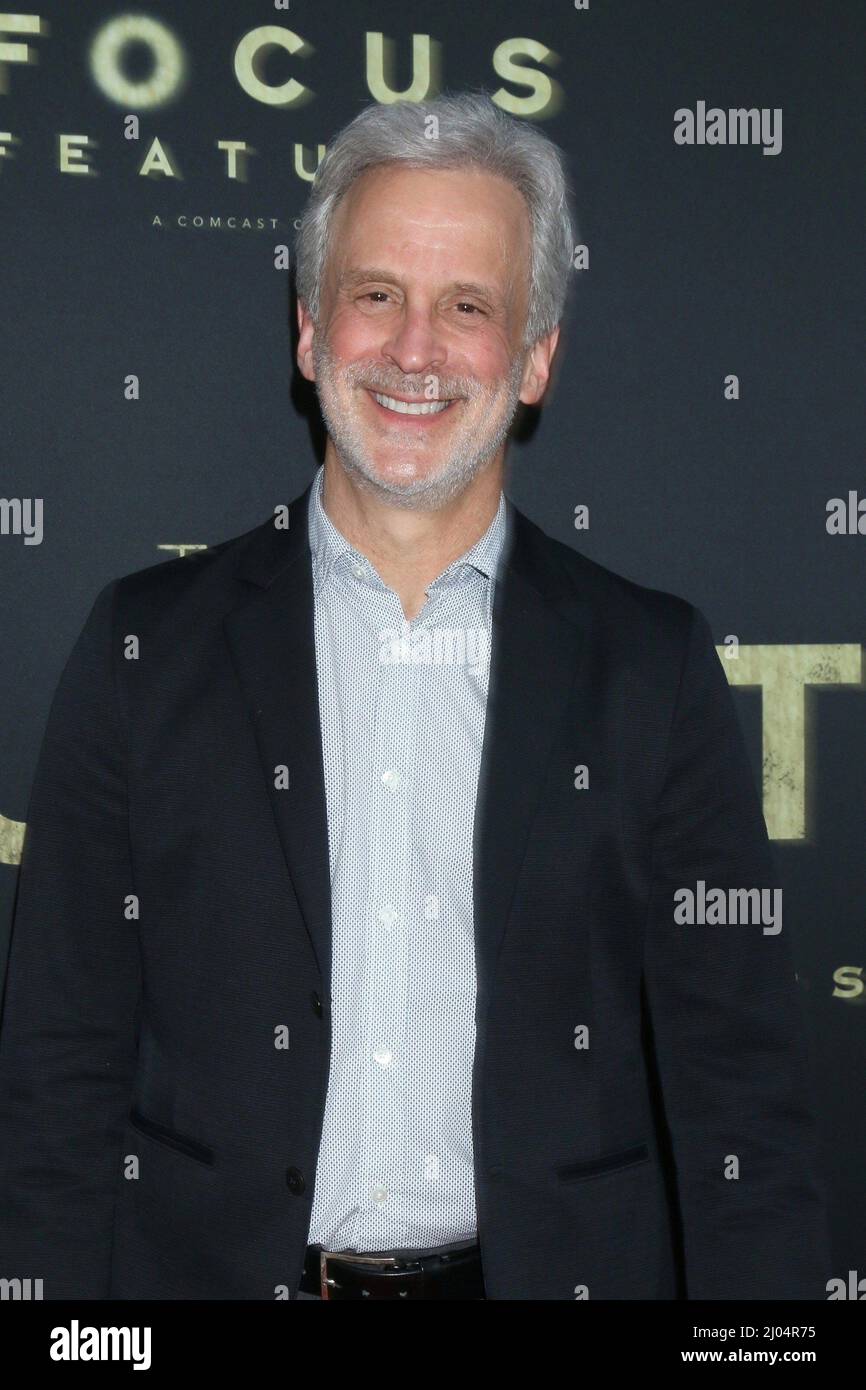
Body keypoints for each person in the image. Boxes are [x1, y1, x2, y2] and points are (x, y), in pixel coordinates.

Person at [0, 92, 832, 1300]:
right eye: (375, 293)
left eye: (468, 306)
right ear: (307, 328)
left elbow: (740, 1097)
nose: (413, 350)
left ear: (536, 357)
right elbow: (55, 1071)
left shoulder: (648, 667)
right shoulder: (145, 646)